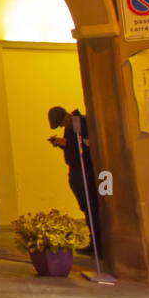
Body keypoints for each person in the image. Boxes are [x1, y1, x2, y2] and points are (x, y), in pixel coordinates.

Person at [48, 106, 100, 254]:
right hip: (77, 171)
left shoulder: (77, 122)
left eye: (61, 124)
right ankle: (95, 242)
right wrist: (61, 144)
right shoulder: (72, 124)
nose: (62, 127)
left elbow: (83, 146)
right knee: (86, 208)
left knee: (91, 207)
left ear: (66, 117)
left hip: (84, 172)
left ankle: (98, 245)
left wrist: (64, 143)